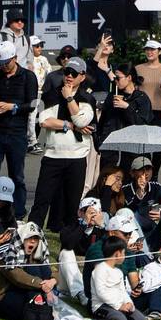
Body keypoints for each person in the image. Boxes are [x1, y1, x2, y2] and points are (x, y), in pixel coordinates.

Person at [30, 59, 96, 234]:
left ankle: (69, 242)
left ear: (82, 77)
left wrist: (69, 97)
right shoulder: (50, 95)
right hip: (53, 156)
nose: (69, 76)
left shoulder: (87, 98)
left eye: (74, 74)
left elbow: (82, 119)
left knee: (72, 203)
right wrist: (71, 125)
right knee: (41, 200)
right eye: (67, 72)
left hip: (77, 157)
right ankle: (32, 234)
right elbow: (44, 121)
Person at [0, 40, 38, 217]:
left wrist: (12, 107)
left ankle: (18, 212)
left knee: (17, 176)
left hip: (16, 132)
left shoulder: (28, 76)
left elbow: (33, 103)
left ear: (15, 58)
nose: (4, 67)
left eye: (6, 63)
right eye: (0, 64)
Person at [0, 221, 57, 320]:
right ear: (21, 239)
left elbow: (55, 272)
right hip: (5, 300)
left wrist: (52, 282)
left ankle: (41, 313)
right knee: (33, 270)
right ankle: (42, 312)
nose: (32, 241)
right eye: (29, 238)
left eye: (36, 238)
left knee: (43, 268)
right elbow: (18, 277)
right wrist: (43, 286)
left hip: (29, 294)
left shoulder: (37, 256)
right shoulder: (8, 257)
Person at [90, 236, 150, 320]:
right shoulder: (100, 269)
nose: (124, 256)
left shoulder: (118, 272)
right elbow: (101, 293)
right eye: (123, 253)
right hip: (101, 306)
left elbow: (122, 291)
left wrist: (129, 303)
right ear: (117, 254)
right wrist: (118, 306)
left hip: (120, 304)